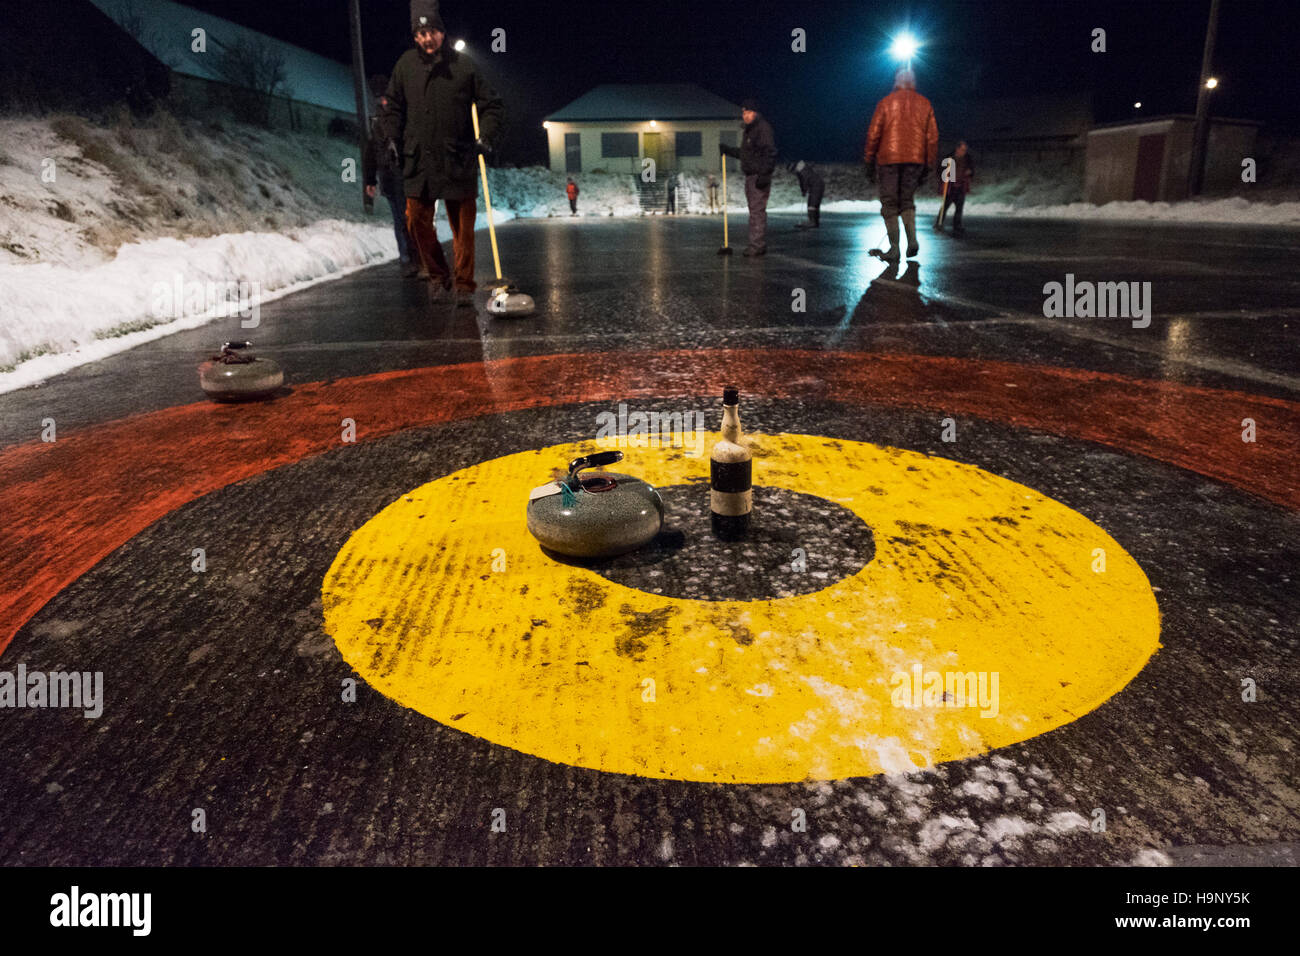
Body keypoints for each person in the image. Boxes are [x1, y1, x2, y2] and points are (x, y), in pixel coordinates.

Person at [380, 1, 505, 308]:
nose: (427, 38)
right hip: (418, 159)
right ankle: (438, 276)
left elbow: (492, 105)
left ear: (442, 32)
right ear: (415, 36)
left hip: (457, 156)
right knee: (415, 221)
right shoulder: (405, 65)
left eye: (432, 31)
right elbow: (393, 107)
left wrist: (485, 136)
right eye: (421, 33)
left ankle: (463, 283)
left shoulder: (463, 66)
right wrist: (391, 138)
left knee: (463, 228)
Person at [863, 67, 938, 262]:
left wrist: (869, 160)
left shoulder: (886, 103)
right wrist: (929, 164)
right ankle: (912, 239)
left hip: (888, 159)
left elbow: (873, 134)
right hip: (915, 160)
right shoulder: (925, 103)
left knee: (889, 203)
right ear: (913, 82)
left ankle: (894, 247)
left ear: (896, 81)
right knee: (907, 201)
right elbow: (932, 138)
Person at [363, 75, 418, 278]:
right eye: (382, 98)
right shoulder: (378, 123)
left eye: (386, 97)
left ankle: (414, 256)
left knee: (409, 217)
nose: (384, 101)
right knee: (400, 218)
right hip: (389, 176)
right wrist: (370, 180)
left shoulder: (403, 119)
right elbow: (371, 151)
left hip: (405, 174)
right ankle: (407, 257)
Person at [719, 98, 777, 256]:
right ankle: (757, 244)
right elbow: (747, 155)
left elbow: (770, 152)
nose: (745, 115)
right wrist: (729, 151)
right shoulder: (749, 131)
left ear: (756, 113)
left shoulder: (762, 129)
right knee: (754, 211)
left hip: (759, 175)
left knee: (757, 211)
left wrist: (765, 174)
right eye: (744, 112)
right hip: (751, 176)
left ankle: (757, 246)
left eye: (749, 112)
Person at [937, 140, 974, 236]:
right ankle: (939, 223)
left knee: (959, 207)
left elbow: (972, 170)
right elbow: (940, 170)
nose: (963, 152)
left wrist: (970, 172)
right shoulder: (949, 158)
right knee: (945, 206)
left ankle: (957, 225)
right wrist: (946, 174)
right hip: (951, 186)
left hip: (961, 185)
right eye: (962, 150)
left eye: (965, 150)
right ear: (957, 149)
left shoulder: (967, 158)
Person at [789, 160, 825, 229]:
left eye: (792, 171)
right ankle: (815, 222)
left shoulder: (802, 171)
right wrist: (803, 190)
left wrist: (804, 190)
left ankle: (812, 222)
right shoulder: (802, 169)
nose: (793, 173)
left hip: (816, 185)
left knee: (812, 204)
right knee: (814, 204)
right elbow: (802, 182)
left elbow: (804, 180)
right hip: (817, 185)